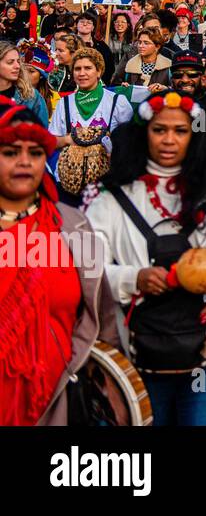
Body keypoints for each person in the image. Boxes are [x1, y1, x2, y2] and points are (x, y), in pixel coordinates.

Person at [85, 91, 206, 425]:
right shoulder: (111, 198)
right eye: (159, 130)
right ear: (145, 133)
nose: (169, 140)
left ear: (193, 134)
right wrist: (133, 278)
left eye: (180, 131)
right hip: (143, 349)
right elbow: (86, 267)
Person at [0, 100, 120, 425]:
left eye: (36, 152)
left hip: (58, 399)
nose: (25, 162)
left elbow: (104, 316)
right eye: (10, 152)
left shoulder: (73, 225)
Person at [48, 47, 134, 162]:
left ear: (99, 71)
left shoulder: (117, 102)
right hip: (70, 174)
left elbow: (131, 139)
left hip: (106, 175)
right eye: (77, 69)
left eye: (88, 68)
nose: (82, 73)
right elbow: (50, 141)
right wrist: (68, 140)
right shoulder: (64, 103)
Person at [0, 41, 49, 126]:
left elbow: (42, 135)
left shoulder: (32, 96)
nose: (17, 66)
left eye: (18, 61)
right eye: (10, 62)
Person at [110, 25, 172, 89]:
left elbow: (176, 89)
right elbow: (114, 85)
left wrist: (164, 88)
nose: (141, 46)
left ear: (157, 46)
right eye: (139, 42)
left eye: (146, 43)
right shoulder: (129, 64)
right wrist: (122, 87)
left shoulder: (169, 67)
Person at [73, 12, 116, 78]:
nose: (85, 24)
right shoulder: (69, 43)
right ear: (76, 25)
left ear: (93, 27)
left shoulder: (102, 46)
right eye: (82, 22)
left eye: (89, 23)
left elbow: (109, 67)